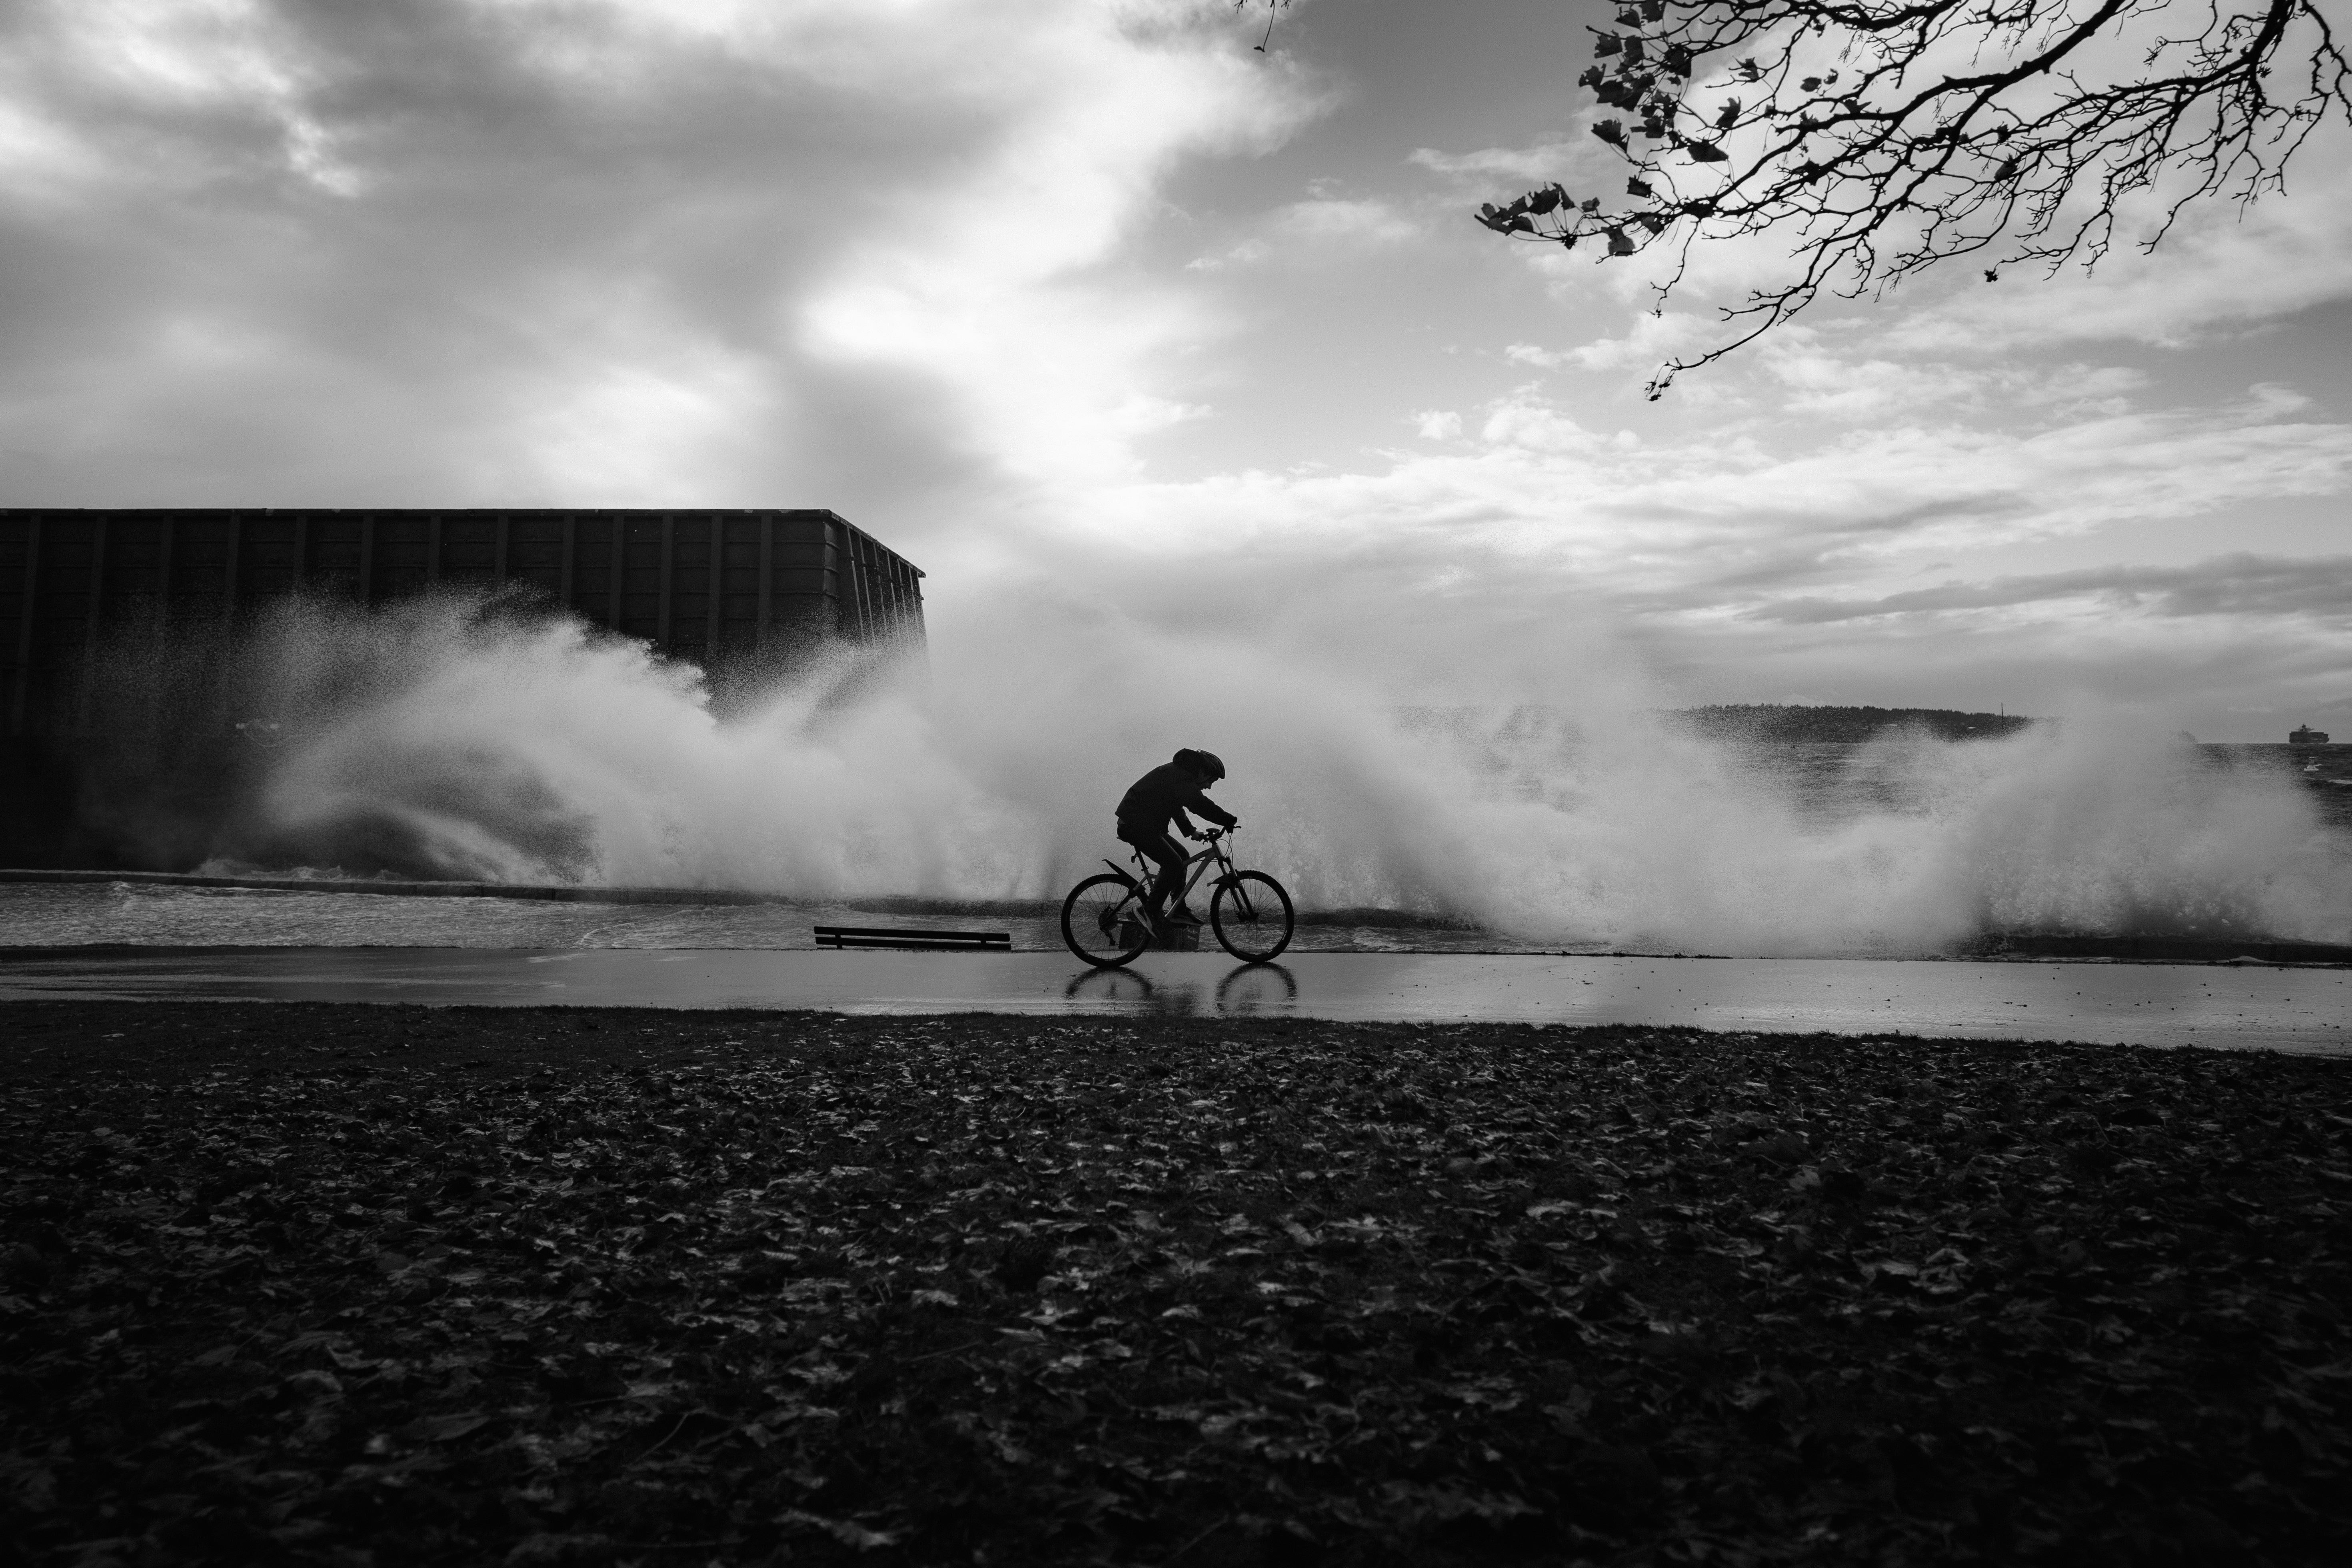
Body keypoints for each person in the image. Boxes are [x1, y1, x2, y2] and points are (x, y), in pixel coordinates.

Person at [1115, 748, 1237, 926]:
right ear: (1203, 772)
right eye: (1211, 781)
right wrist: (1228, 819)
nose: (1209, 786)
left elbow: (1175, 806)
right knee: (1172, 863)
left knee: (1183, 855)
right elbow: (1198, 804)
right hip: (1134, 824)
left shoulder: (1180, 774)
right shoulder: (1182, 776)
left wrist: (1191, 831)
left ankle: (1178, 910)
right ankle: (1149, 912)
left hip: (1146, 824)